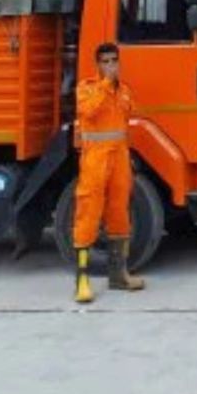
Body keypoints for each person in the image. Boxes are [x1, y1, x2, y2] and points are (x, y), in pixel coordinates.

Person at [70, 42, 145, 304]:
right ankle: (82, 279)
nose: (111, 65)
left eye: (114, 60)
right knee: (88, 213)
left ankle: (118, 275)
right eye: (106, 61)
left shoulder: (124, 91)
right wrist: (104, 84)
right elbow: (88, 111)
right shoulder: (87, 88)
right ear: (98, 64)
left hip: (119, 159)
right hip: (95, 160)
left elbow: (125, 123)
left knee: (119, 213)